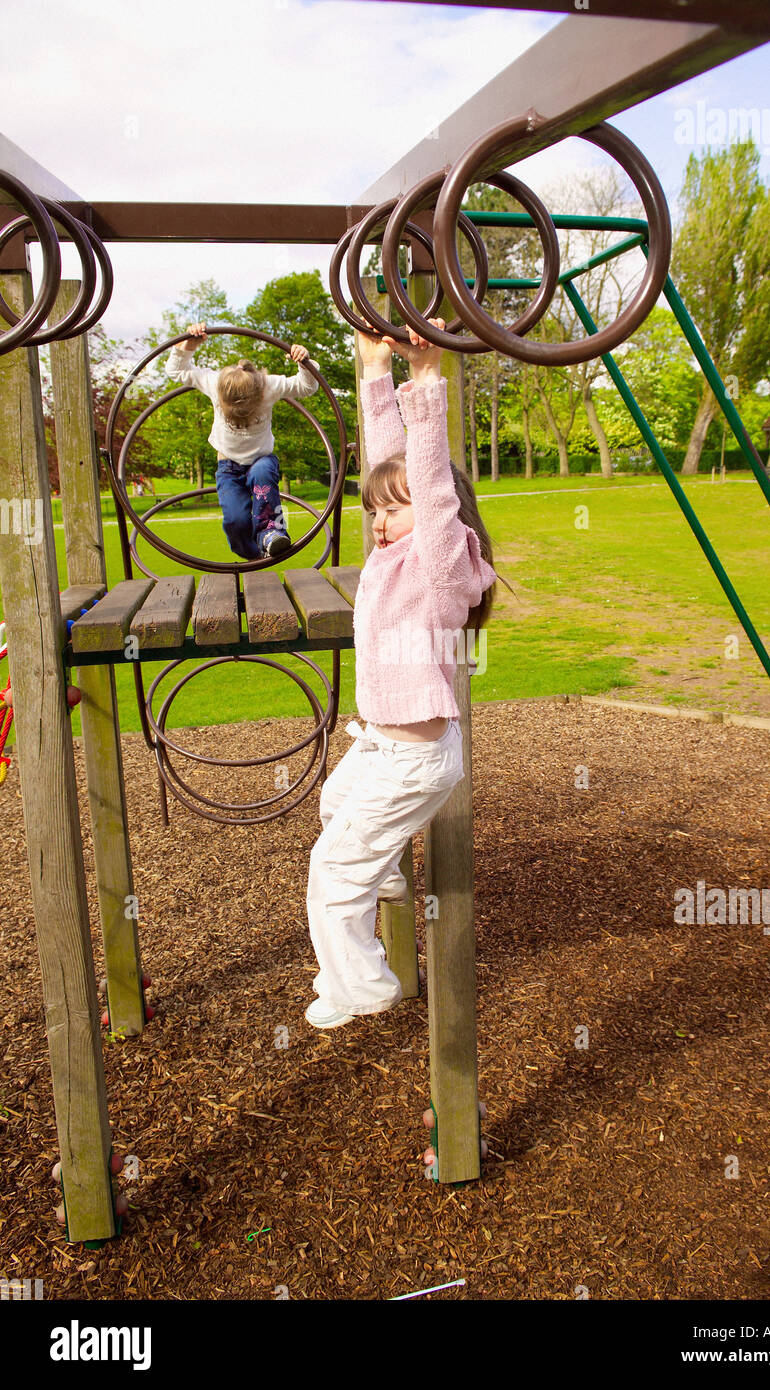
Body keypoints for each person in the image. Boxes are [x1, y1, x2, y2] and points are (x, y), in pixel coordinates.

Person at [304, 317, 498, 1029]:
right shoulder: (391, 556)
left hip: (414, 760)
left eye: (394, 510)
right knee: (334, 805)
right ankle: (383, 870)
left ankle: (360, 983)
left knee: (331, 875)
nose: (378, 522)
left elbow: (427, 485)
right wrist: (371, 370)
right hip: (385, 748)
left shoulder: (443, 568)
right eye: (372, 512)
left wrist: (424, 383)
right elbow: (391, 465)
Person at [165, 322, 319, 560]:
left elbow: (307, 386)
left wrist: (304, 362)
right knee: (235, 520)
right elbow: (177, 371)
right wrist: (187, 347)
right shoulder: (214, 382)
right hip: (228, 465)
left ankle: (271, 534)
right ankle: (253, 553)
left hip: (261, 460)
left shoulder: (269, 385)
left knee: (262, 473)